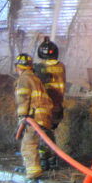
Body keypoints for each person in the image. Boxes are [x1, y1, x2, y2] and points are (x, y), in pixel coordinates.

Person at [13, 53, 53, 183]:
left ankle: (33, 177)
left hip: (34, 116)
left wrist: (22, 116)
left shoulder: (24, 79)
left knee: (28, 145)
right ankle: (40, 166)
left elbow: (23, 98)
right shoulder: (35, 78)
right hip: (43, 115)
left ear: (17, 67)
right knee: (36, 144)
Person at [33, 37, 66, 170]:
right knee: (49, 132)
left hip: (44, 106)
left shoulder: (40, 67)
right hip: (57, 106)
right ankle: (52, 159)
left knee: (42, 134)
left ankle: (45, 160)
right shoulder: (61, 66)